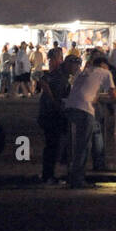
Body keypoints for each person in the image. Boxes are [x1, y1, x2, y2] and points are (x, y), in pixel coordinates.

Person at [63, 52, 116, 189]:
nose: (109, 69)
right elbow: (114, 95)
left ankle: (72, 175)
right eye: (108, 66)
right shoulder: (105, 73)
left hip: (70, 106)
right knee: (83, 146)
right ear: (103, 64)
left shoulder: (85, 71)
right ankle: (77, 180)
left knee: (77, 144)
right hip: (85, 108)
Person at [38, 51, 72, 185]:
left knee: (53, 146)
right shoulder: (58, 75)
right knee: (52, 146)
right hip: (52, 115)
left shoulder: (56, 74)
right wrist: (54, 101)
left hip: (51, 113)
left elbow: (43, 81)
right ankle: (48, 175)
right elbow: (44, 83)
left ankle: (49, 174)